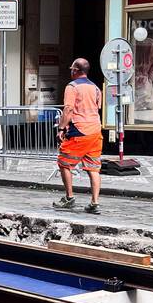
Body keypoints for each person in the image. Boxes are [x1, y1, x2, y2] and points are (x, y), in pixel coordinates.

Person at [54, 58, 104, 214]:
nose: (70, 71)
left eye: (71, 69)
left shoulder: (72, 87)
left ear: (76, 70)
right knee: (93, 168)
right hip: (95, 132)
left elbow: (68, 109)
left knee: (63, 163)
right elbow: (97, 108)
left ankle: (69, 198)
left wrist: (61, 128)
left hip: (79, 131)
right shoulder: (96, 88)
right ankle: (94, 203)